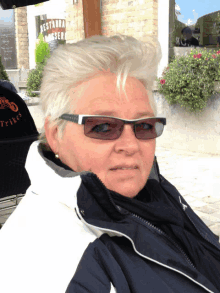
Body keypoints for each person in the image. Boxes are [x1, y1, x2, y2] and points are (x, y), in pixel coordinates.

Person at [0, 34, 219, 293]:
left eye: (145, 125)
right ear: (55, 134)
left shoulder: (147, 188)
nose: (131, 145)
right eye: (103, 126)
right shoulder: (49, 259)